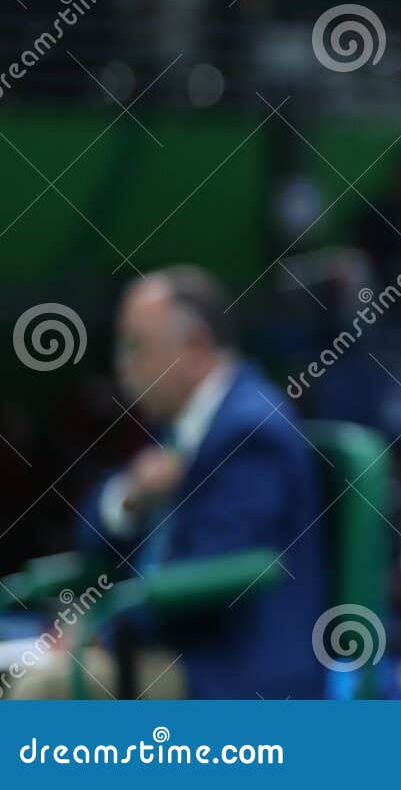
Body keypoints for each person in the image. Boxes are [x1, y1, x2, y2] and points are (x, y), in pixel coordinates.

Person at [8, 266, 328, 699]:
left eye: (135, 346)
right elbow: (90, 537)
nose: (122, 365)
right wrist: (129, 498)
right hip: (171, 648)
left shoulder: (252, 430)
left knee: (40, 686)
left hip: (228, 673)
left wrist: (99, 628)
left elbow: (210, 582)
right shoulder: (180, 424)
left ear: (194, 347)